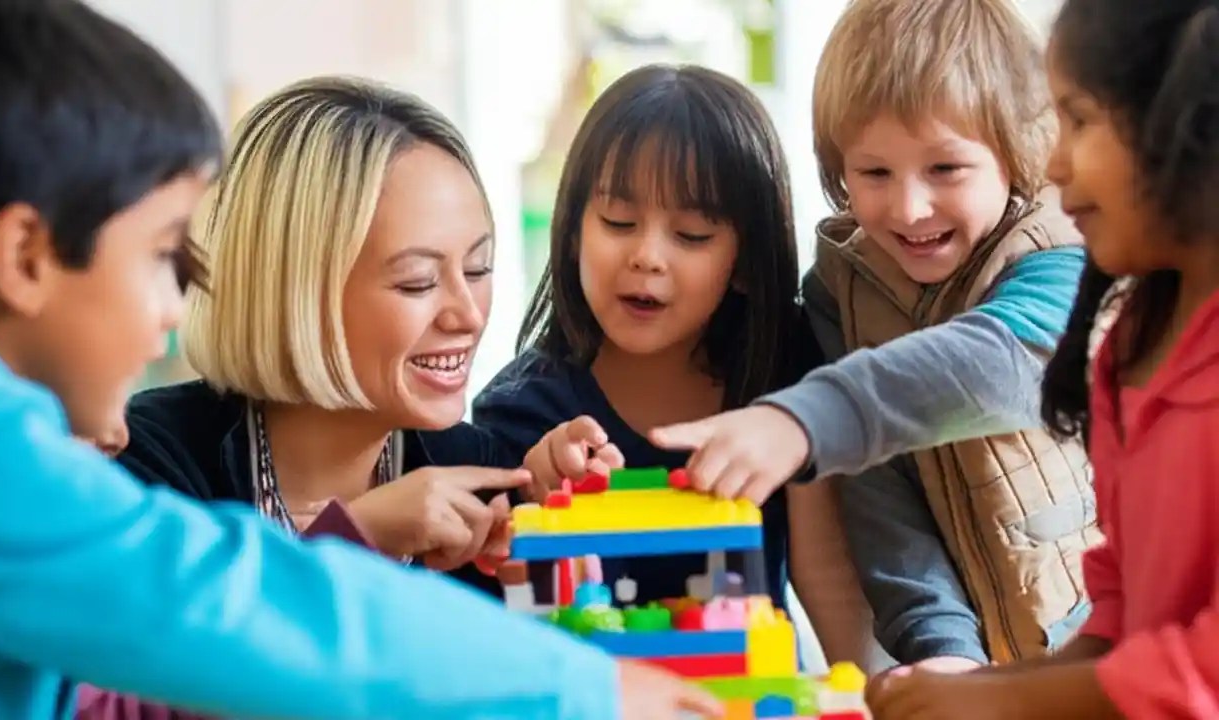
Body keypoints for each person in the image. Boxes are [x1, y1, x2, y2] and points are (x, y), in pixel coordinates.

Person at [0, 1, 721, 718]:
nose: (177, 304)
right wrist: (581, 688)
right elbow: (212, 613)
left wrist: (548, 567)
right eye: (160, 255)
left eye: (481, 269)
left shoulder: (481, 468)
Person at [650, 0, 1097, 669]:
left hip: (1105, 647)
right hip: (980, 673)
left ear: (1015, 150)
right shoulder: (839, 294)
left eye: (945, 169)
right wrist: (941, 647)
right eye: (874, 173)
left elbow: (996, 368)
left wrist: (805, 420)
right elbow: (881, 504)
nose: (909, 208)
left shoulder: (1063, 252)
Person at [114, 76, 606, 597]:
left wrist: (552, 553)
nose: (467, 314)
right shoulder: (149, 463)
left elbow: (555, 627)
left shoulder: (481, 471)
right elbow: (158, 640)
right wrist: (354, 536)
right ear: (296, 292)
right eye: (419, 281)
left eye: (478, 269)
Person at [867, 0, 1219, 717]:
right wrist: (977, 690)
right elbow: (1121, 616)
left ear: (1187, 122)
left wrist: (1010, 703)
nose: (1054, 165)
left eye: (1079, 120)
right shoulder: (1133, 344)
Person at [474, 64, 820, 614]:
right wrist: (534, 506)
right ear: (572, 232)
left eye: (691, 235)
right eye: (617, 221)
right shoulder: (519, 413)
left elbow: (830, 578)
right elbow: (503, 613)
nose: (647, 256)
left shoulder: (794, 379)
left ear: (746, 262)